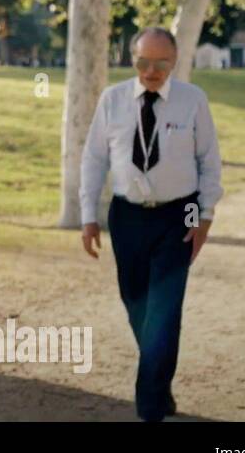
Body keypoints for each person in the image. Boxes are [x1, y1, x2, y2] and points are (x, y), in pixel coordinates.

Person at [79, 26, 224, 422]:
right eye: (143, 62)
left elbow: (208, 162)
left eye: (161, 63)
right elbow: (94, 159)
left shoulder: (193, 101)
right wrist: (88, 215)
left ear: (174, 63)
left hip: (179, 214)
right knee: (136, 303)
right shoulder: (113, 101)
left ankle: (149, 407)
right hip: (126, 216)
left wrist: (205, 217)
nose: (151, 71)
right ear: (133, 61)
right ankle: (160, 387)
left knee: (165, 309)